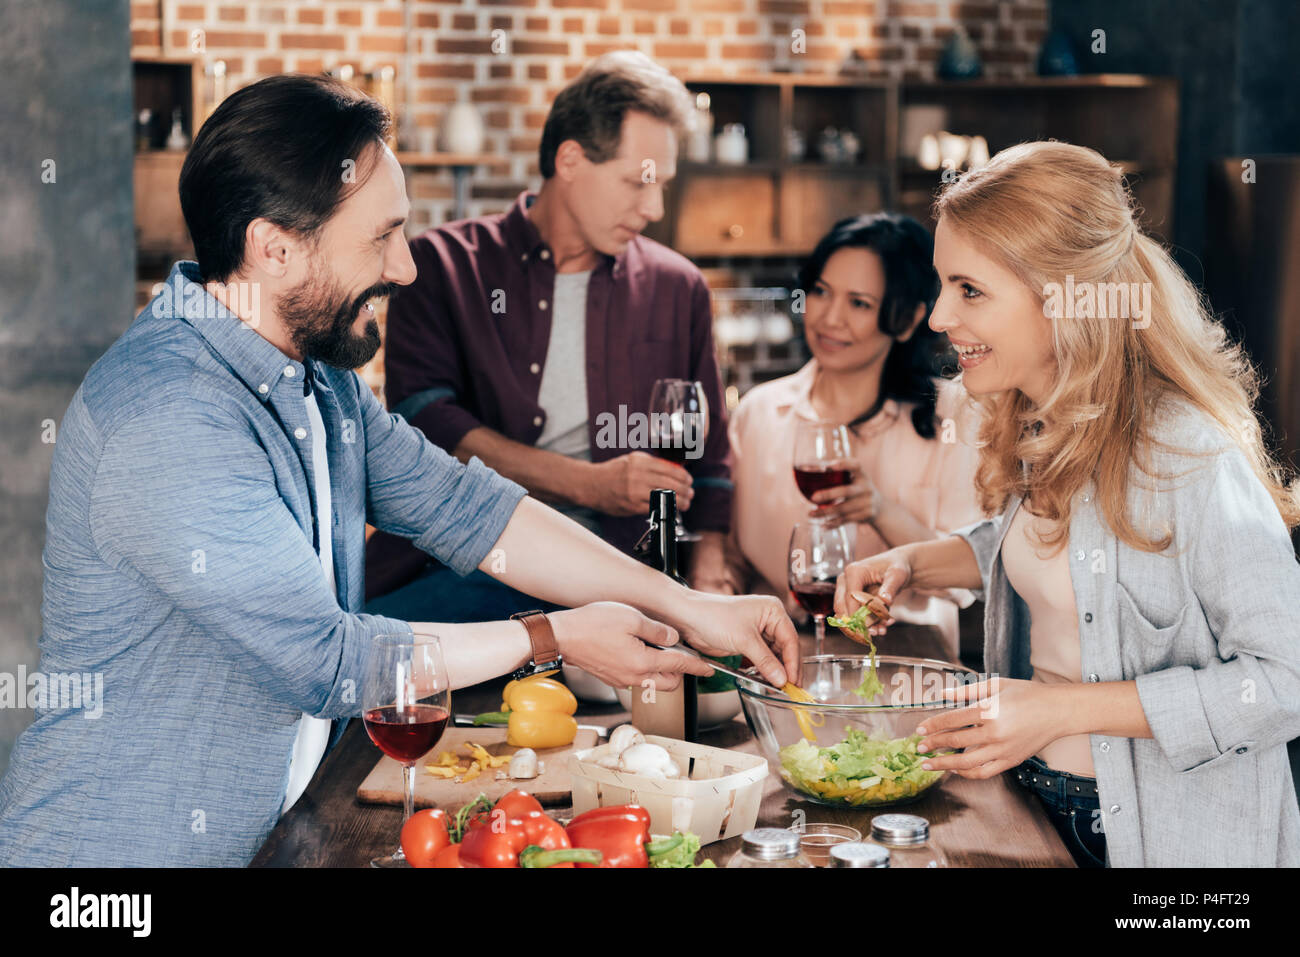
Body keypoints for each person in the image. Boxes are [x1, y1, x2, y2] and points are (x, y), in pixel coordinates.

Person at [0, 75, 799, 867]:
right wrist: (553, 637)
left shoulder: (319, 379)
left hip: (269, 838)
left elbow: (471, 509)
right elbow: (330, 659)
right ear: (272, 248)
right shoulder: (170, 410)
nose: (407, 268)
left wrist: (686, 603)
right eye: (380, 238)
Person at [838, 141, 1300, 868]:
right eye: (942, 285)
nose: (936, 317)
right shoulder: (1038, 417)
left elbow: (1284, 681)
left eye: (969, 290)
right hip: (1040, 803)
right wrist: (915, 563)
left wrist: (1059, 708)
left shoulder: (1185, 450)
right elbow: (1061, 556)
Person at [365, 51, 734, 623]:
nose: (654, 207)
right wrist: (590, 486)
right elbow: (428, 425)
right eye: (638, 182)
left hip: (626, 579)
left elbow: (708, 459)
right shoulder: (442, 264)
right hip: (467, 571)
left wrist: (708, 576)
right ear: (570, 159)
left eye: (662, 185)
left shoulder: (677, 285)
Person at [722, 214, 982, 660]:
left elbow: (970, 575)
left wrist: (881, 510)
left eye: (859, 303)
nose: (830, 318)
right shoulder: (759, 413)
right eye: (821, 292)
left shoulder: (956, 416)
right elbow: (729, 556)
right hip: (779, 657)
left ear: (907, 319)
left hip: (909, 663)